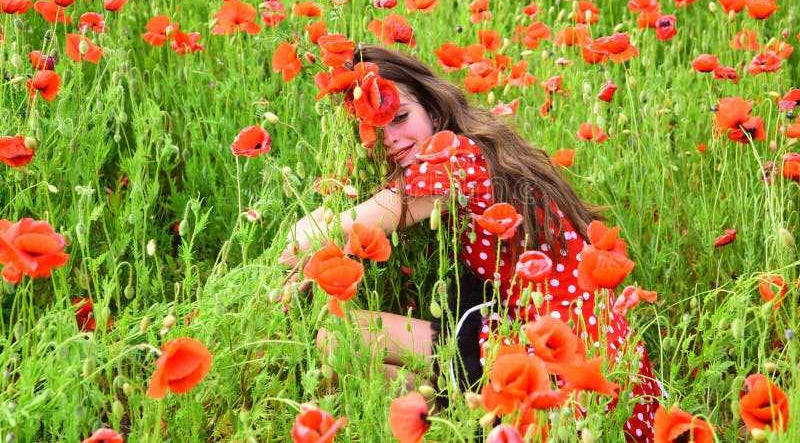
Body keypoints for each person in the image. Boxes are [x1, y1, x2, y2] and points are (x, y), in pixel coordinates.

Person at [280, 43, 660, 440]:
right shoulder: (480, 149)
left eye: (401, 116)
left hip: (559, 374)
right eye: (376, 128)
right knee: (381, 366)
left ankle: (460, 425)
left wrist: (291, 260)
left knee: (338, 338)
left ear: (432, 108)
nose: (390, 138)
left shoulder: (450, 163)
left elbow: (337, 227)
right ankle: (457, 426)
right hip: (602, 366)